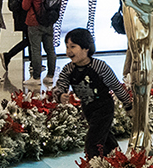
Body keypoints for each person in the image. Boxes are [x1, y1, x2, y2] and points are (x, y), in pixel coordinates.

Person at [55, 27, 130, 157]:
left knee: (93, 142)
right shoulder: (69, 69)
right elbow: (60, 85)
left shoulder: (99, 66)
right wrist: (60, 95)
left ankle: (94, 167)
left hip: (104, 107)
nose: (68, 51)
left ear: (86, 48)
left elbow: (116, 86)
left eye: (73, 47)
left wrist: (128, 104)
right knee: (105, 138)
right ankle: (118, 160)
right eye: (67, 47)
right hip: (88, 108)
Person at [22, 0, 61, 86]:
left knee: (35, 49)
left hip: (34, 21)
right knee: (50, 49)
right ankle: (50, 75)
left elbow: (25, 5)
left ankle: (36, 77)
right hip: (49, 22)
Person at [0, 0, 35, 78]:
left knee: (30, 38)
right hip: (26, 13)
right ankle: (8, 55)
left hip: (19, 13)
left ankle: (32, 63)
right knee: (30, 38)